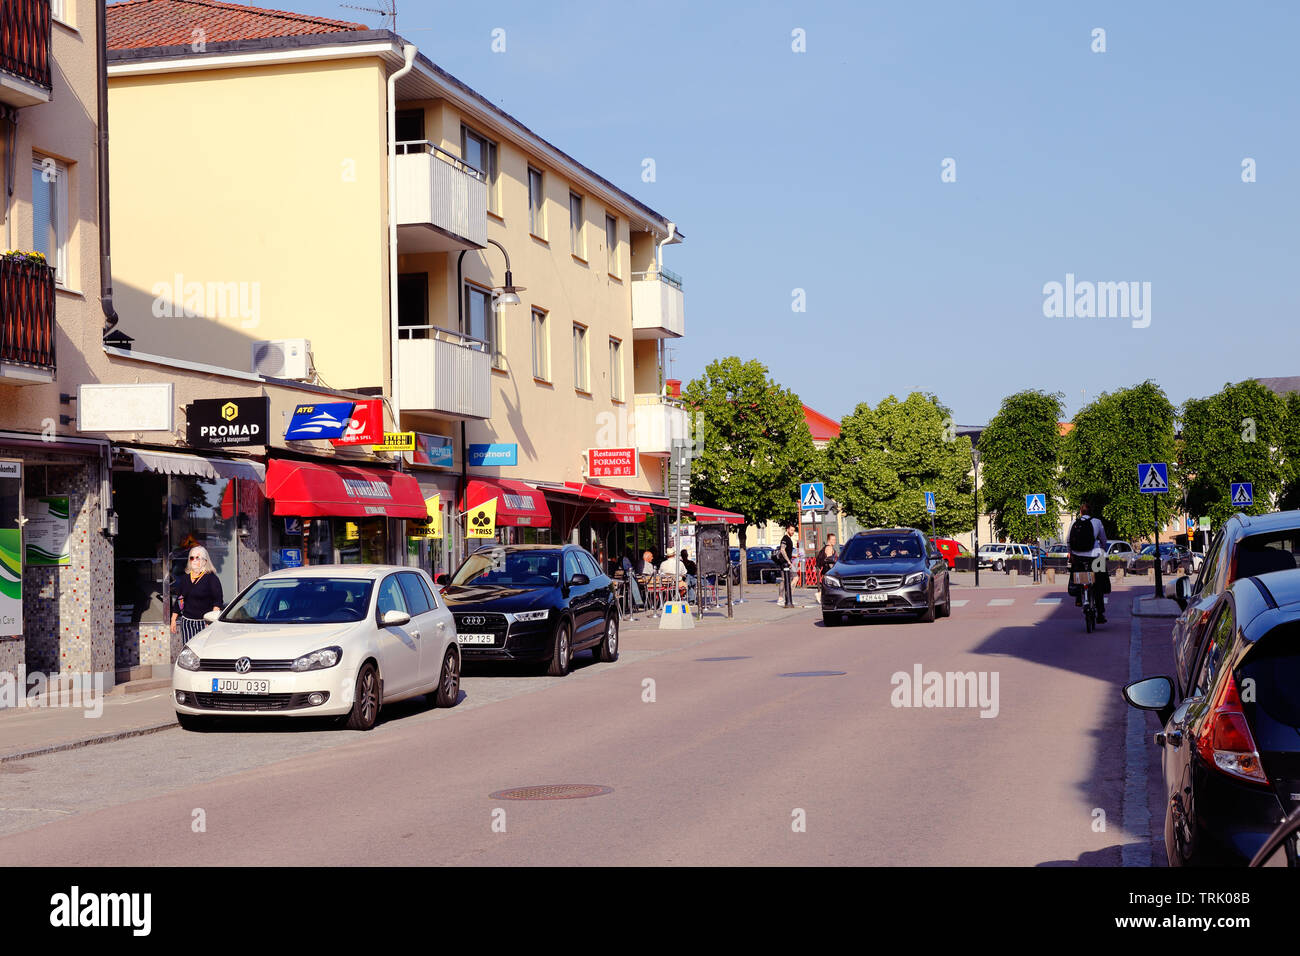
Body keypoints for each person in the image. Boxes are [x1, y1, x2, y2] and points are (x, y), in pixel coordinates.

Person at [1067, 500, 1109, 624]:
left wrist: (1071, 553)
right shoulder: (1097, 522)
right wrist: (1101, 548)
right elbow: (1104, 539)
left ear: (1080, 512)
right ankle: (1100, 613)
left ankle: (1078, 598)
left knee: (1076, 575)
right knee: (1099, 583)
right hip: (1095, 556)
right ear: (1091, 512)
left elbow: (1068, 540)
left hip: (1078, 556)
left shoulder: (1074, 522)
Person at [171, 545, 223, 644]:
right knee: (189, 650)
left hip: (204, 624)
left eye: (197, 558)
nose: (194, 560)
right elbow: (180, 599)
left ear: (205, 561)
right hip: (187, 623)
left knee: (203, 651)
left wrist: (210, 621)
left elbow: (218, 602)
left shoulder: (212, 579)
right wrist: (173, 619)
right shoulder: (185, 578)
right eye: (192, 558)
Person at [777, 524, 796, 607]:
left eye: (793, 530)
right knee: (784, 579)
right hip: (784, 563)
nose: (793, 532)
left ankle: (789, 598)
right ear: (787, 529)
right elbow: (782, 550)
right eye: (791, 530)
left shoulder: (789, 539)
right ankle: (781, 598)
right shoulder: (785, 539)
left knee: (793, 578)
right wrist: (788, 561)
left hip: (788, 562)